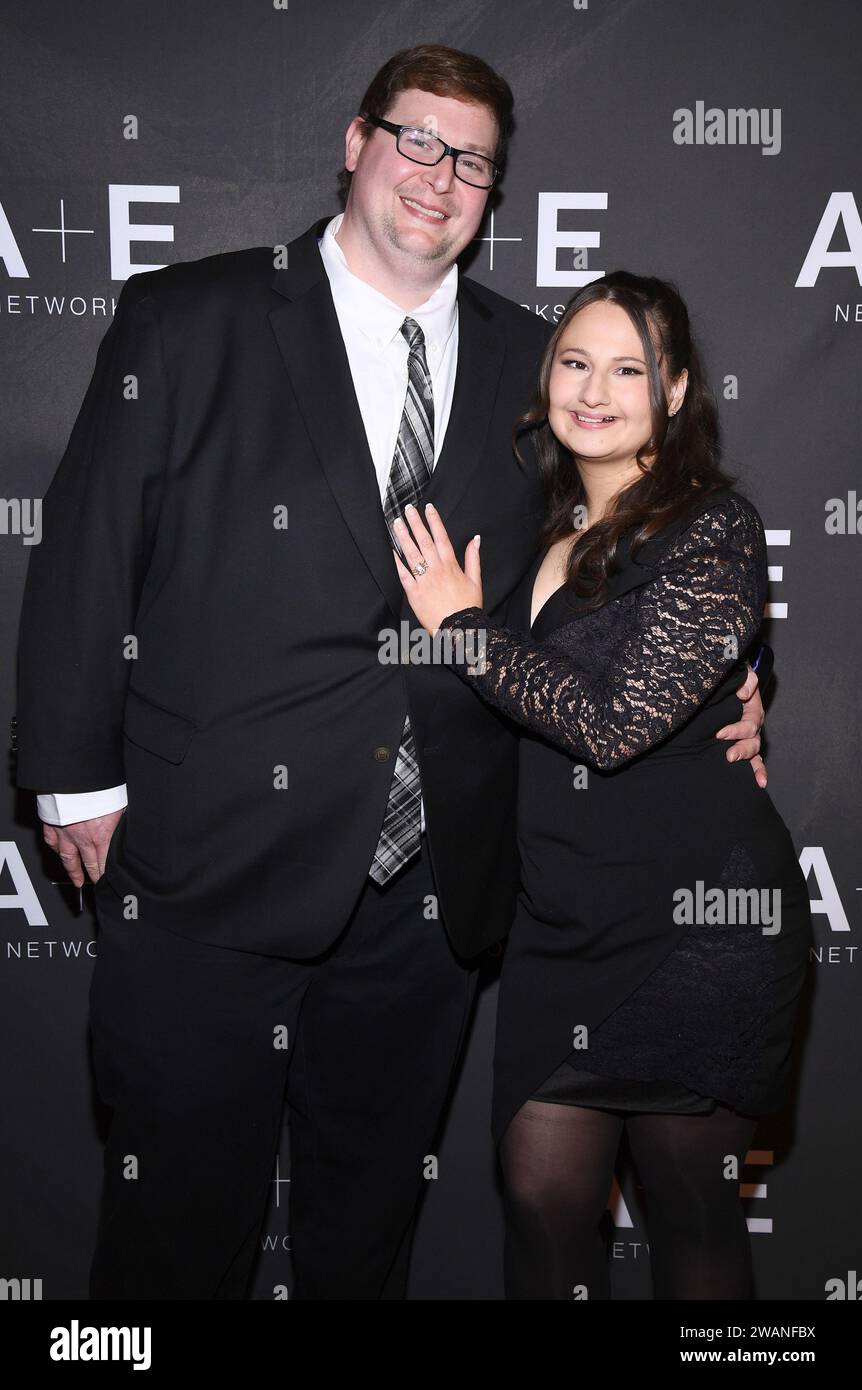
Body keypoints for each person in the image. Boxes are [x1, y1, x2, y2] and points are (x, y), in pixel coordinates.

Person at [14, 44, 768, 1301]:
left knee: (365, 1235)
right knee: (172, 1237)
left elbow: (625, 557)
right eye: (417, 140)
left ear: (492, 191)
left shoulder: (538, 362)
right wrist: (69, 773)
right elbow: (88, 547)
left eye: (472, 160)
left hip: (430, 893)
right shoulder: (189, 317)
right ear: (355, 144)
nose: (441, 176)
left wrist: (732, 685)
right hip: (213, 868)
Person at [393, 271, 811, 1301]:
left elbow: (611, 723)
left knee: (693, 1213)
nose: (594, 389)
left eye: (626, 368)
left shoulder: (714, 527)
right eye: (575, 362)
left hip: (696, 927)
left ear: (673, 390)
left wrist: (460, 629)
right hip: (560, 926)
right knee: (540, 1205)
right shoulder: (539, 526)